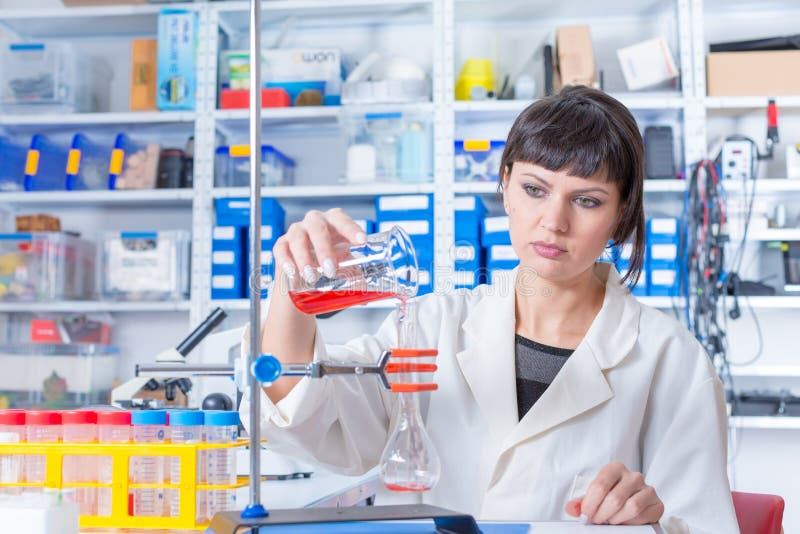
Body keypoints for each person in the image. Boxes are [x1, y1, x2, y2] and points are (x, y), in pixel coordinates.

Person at [241, 86, 739, 533]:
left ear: (621, 213)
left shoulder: (671, 359)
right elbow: (301, 414)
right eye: (534, 189)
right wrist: (294, 284)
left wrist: (651, 520)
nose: (554, 221)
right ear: (505, 185)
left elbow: (702, 523)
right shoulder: (434, 324)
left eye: (587, 201)